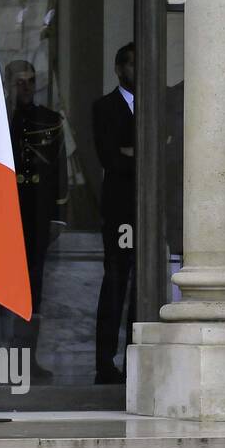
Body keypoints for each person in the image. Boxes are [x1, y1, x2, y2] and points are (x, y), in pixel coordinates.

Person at [5, 60, 66, 379]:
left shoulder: (49, 120)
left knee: (34, 285)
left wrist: (58, 215)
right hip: (4, 211)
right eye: (19, 82)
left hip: (37, 210)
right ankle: (2, 361)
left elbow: (60, 171)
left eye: (30, 81)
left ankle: (27, 361)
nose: (26, 87)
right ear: (8, 83)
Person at [91, 42, 136, 384]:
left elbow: (168, 148)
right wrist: (138, 152)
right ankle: (105, 363)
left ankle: (137, 359)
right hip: (119, 206)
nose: (138, 71)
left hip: (149, 208)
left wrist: (133, 151)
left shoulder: (156, 104)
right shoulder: (105, 107)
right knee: (116, 282)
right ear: (119, 69)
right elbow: (110, 158)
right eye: (132, 65)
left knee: (144, 288)